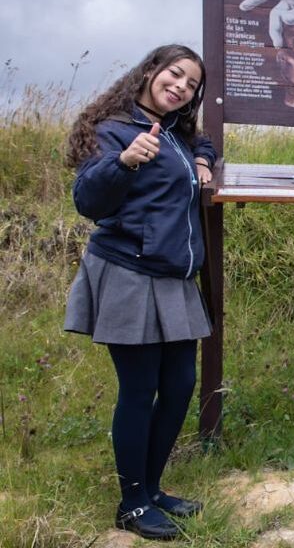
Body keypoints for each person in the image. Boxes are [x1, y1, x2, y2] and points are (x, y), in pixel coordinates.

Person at [63, 44, 216, 541]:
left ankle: (151, 489)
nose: (181, 87)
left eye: (191, 84)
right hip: (129, 272)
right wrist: (124, 162)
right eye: (175, 74)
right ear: (151, 71)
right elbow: (88, 200)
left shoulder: (174, 131)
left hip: (173, 276)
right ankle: (131, 505)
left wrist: (203, 159)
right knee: (139, 388)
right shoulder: (113, 129)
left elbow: (204, 142)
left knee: (180, 386)